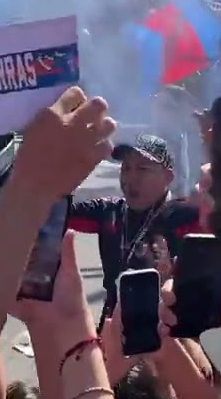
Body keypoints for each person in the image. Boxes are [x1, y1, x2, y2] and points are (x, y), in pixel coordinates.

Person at [68, 134, 201, 330]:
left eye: (143, 169)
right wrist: (79, 168)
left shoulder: (183, 216)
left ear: (168, 177)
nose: (131, 178)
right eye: (126, 168)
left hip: (166, 327)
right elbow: (57, 212)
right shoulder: (108, 211)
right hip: (114, 322)